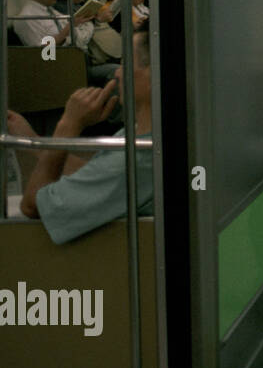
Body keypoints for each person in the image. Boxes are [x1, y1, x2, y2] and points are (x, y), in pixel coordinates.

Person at [9, 21, 154, 245]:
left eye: (125, 63)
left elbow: (32, 205)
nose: (117, 72)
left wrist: (67, 126)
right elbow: (93, 174)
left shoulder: (135, 159)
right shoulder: (140, 135)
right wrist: (34, 142)